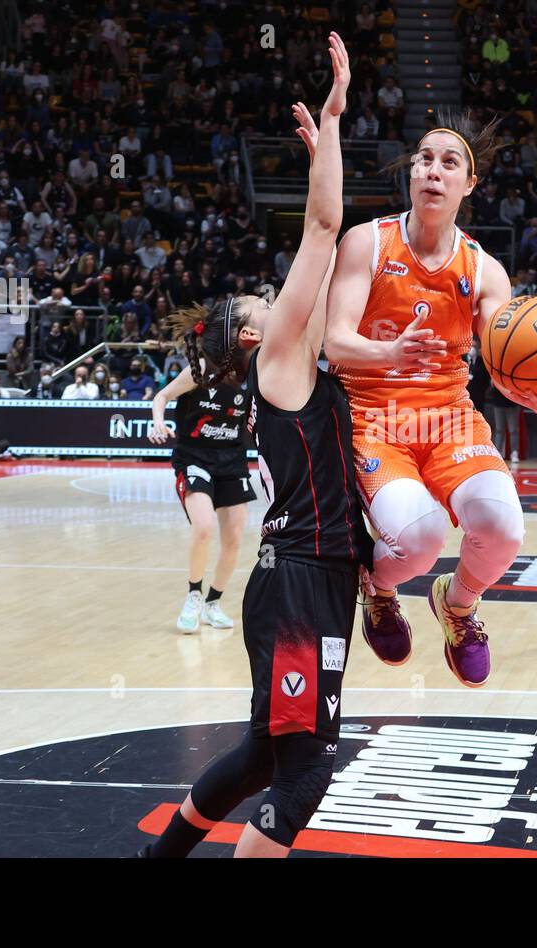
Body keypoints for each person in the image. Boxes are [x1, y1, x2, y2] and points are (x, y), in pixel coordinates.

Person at [138, 32, 369, 860]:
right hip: (300, 580)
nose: (279, 298)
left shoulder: (304, 369)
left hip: (317, 575)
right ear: (250, 333)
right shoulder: (281, 363)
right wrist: (335, 120)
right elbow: (324, 225)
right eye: (263, 300)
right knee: (304, 775)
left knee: (261, 757)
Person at [324, 108, 537, 688]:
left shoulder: (485, 270)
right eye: (424, 159)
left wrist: (534, 392)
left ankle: (457, 605)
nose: (433, 170)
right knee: (421, 541)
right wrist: (388, 355)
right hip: (373, 417)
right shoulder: (368, 242)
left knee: (505, 526)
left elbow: (501, 355)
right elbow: (333, 342)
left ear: (469, 183)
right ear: (412, 174)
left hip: (449, 420)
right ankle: (378, 588)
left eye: (449, 162)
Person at [149, 321, 257, 633]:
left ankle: (213, 604)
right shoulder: (201, 369)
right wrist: (158, 422)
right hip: (195, 457)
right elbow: (162, 396)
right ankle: (194, 594)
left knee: (235, 536)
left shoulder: (254, 372)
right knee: (204, 528)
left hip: (232, 460)